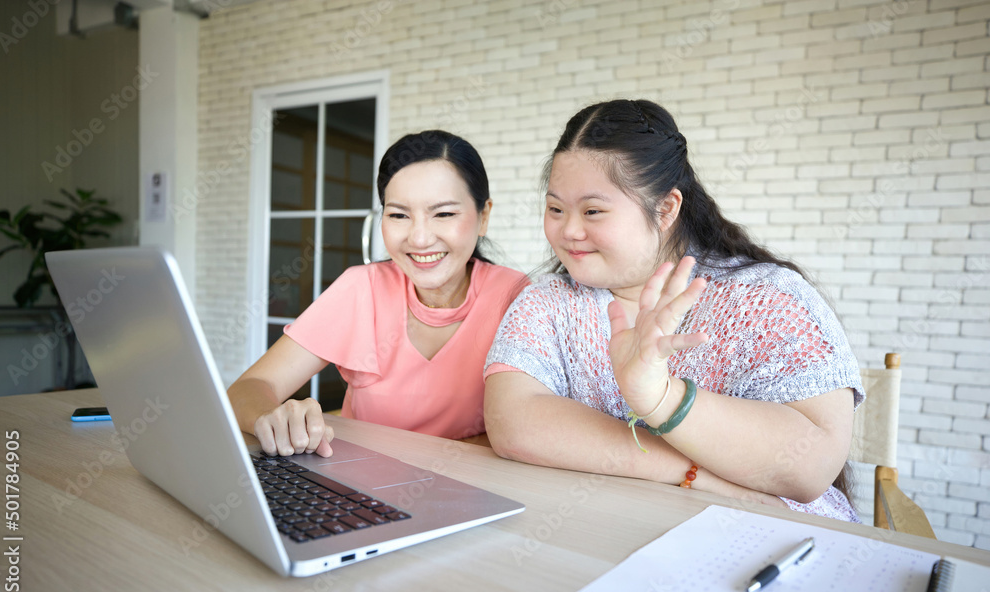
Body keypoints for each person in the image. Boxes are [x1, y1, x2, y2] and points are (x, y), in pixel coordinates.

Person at [484, 99, 864, 521]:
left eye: (593, 211)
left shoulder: (768, 299)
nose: (569, 230)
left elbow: (811, 463)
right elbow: (513, 422)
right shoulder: (548, 301)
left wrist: (664, 398)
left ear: (666, 208)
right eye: (556, 209)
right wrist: (692, 474)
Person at [230, 130, 527, 457]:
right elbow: (248, 388)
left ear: (483, 216)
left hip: (479, 488)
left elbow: (531, 428)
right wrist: (273, 419)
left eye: (443, 214)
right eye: (399, 214)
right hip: (362, 491)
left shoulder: (516, 297)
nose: (419, 238)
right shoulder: (361, 289)